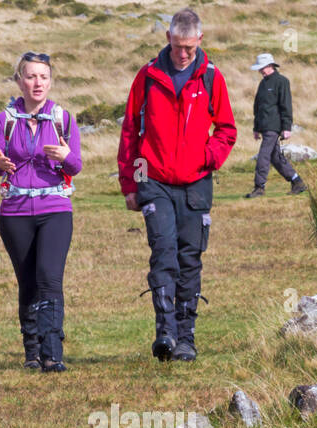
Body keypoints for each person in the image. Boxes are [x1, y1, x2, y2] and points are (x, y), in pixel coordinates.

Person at [118, 7, 237, 362]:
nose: (182, 52)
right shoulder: (148, 76)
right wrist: (132, 184)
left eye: (189, 46)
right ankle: (165, 334)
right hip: (154, 182)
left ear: (200, 40)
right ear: (168, 37)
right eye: (177, 44)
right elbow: (131, 133)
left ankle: (186, 338)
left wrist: (207, 157)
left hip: (197, 184)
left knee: (189, 258)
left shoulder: (212, 78)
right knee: (163, 254)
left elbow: (227, 130)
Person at [0, 51, 82, 372]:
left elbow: (77, 165)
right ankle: (31, 351)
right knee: (27, 281)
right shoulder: (4, 120)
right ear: (19, 81)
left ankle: (52, 353)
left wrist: (66, 156)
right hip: (14, 213)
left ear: (50, 80)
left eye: (43, 76)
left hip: (55, 208)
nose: (37, 82)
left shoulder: (63, 119)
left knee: (49, 278)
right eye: (30, 76)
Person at [245, 52, 307, 198]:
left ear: (270, 65)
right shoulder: (263, 83)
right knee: (275, 158)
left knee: (263, 156)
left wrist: (287, 127)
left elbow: (286, 106)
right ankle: (297, 182)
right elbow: (257, 107)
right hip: (264, 126)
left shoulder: (282, 81)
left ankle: (259, 187)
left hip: (274, 127)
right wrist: (256, 128)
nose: (260, 71)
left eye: (262, 68)